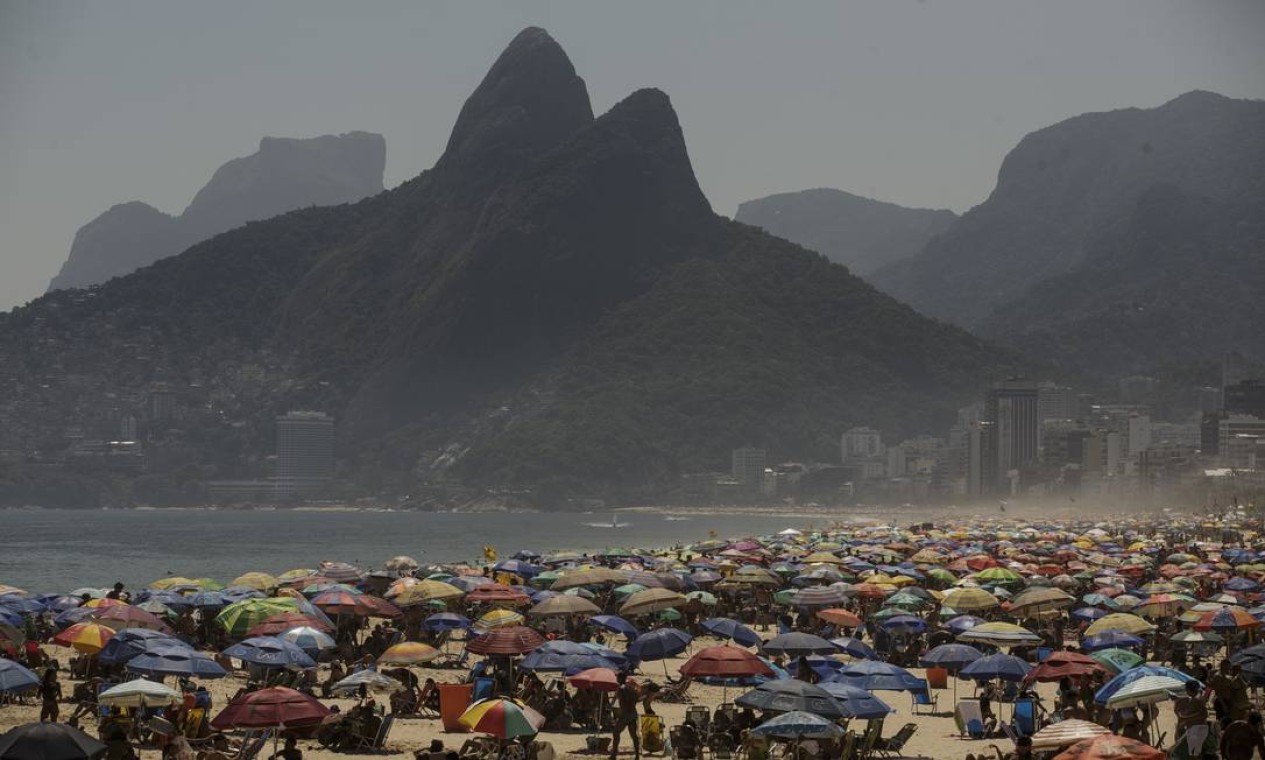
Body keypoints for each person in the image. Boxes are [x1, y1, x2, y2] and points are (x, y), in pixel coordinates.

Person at [1173, 679, 1212, 757]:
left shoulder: (1197, 700)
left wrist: (1185, 719)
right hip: (1194, 730)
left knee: (1193, 754)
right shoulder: (1195, 699)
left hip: (1197, 731)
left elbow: (1203, 715)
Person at [610, 672, 640, 760]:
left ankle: (614, 754)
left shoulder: (621, 689)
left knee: (616, 732)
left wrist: (620, 715)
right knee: (634, 736)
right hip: (633, 713)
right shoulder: (631, 688)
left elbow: (623, 703)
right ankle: (637, 755)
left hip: (625, 714)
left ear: (619, 679)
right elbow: (636, 699)